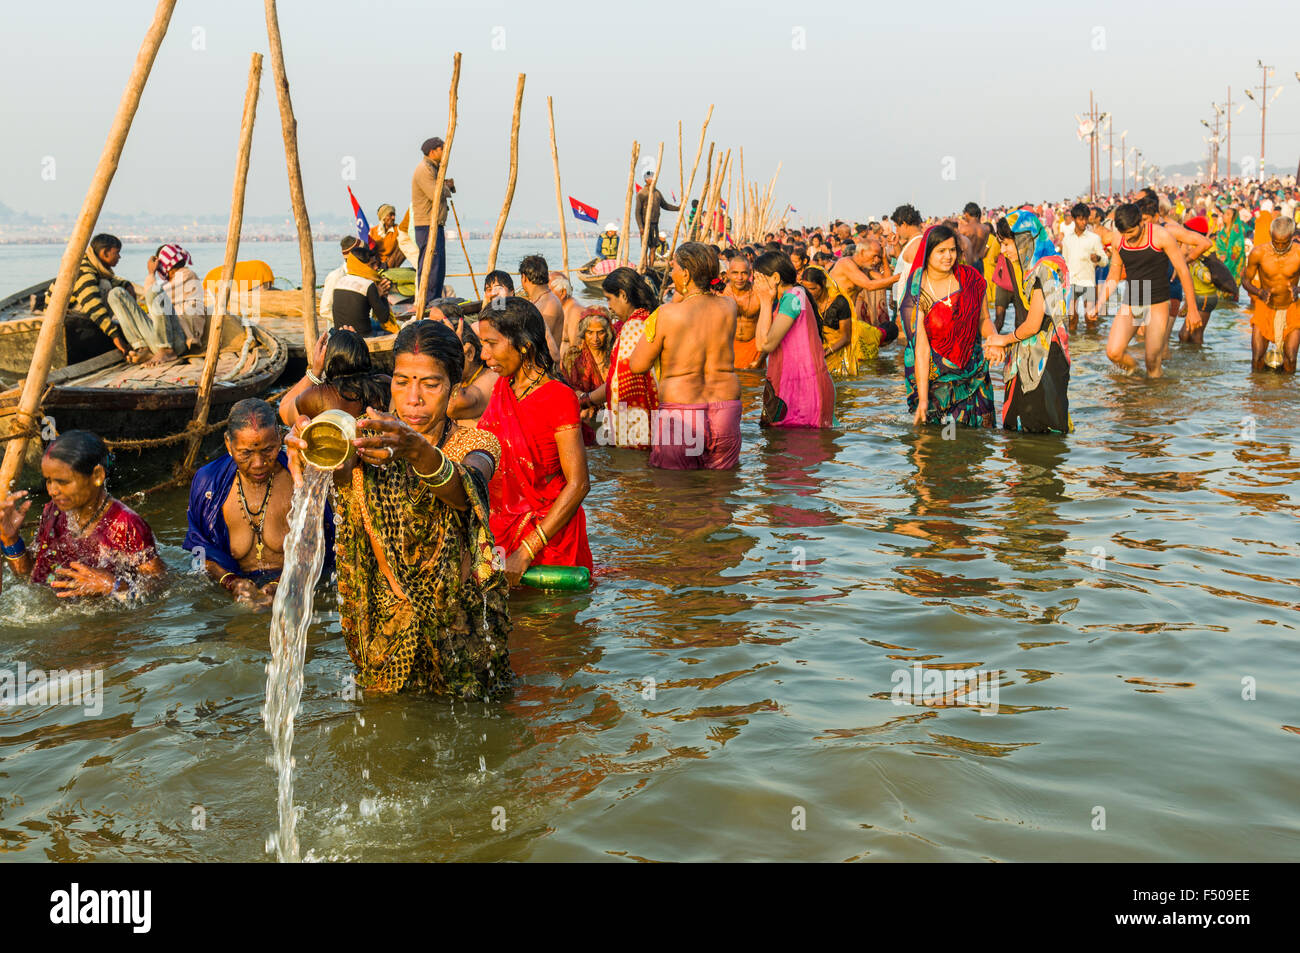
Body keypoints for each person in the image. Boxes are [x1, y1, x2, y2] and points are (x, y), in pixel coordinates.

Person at [286, 320, 510, 698]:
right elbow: (339, 477)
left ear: (454, 388)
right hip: (384, 630)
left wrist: (417, 451)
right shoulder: (364, 441)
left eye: (430, 384)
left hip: (457, 632)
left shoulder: (475, 442)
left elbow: (466, 488)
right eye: (402, 381)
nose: (413, 398)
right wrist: (309, 453)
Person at [477, 297, 593, 578]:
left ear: (525, 345)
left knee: (550, 620)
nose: (483, 354)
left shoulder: (559, 397)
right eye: (482, 344)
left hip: (549, 543)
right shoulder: (502, 388)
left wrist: (527, 550)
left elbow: (578, 484)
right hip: (501, 534)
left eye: (491, 343)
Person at [185, 399, 330, 609]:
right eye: (246, 453)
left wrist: (278, 586)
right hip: (233, 594)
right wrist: (232, 583)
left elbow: (320, 548)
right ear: (228, 444)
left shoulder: (300, 478)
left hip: (296, 592)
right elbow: (199, 553)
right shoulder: (208, 484)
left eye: (268, 450)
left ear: (281, 437)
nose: (259, 463)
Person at [0, 431, 165, 600]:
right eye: (48, 481)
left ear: (97, 476)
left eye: (63, 481)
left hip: (107, 622)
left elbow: (159, 584)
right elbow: (29, 575)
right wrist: (10, 540)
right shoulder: (53, 511)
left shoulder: (125, 524)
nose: (52, 490)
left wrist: (112, 585)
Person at [629, 243, 742, 468]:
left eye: (674, 268)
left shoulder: (667, 314)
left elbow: (637, 364)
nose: (671, 273)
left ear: (686, 274)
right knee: (721, 492)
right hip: (726, 408)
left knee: (676, 494)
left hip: (682, 411)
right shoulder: (730, 306)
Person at [983, 211, 1072, 433]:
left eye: (1006, 244)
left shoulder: (1045, 269)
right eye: (1000, 244)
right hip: (1036, 352)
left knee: (1040, 424)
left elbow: (1033, 324)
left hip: (1046, 357)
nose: (1002, 251)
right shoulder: (1031, 267)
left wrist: (1003, 339)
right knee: (1028, 425)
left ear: (1024, 239)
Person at [899, 224, 995, 428]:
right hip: (936, 380)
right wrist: (924, 400)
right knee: (943, 442)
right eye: (941, 251)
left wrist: (994, 339)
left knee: (977, 442)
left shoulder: (971, 279)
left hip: (973, 369)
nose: (948, 256)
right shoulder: (918, 290)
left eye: (952, 250)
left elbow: (984, 320)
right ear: (928, 253)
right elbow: (921, 349)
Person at [1093, 203, 1200, 378]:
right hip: (1132, 298)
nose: (1127, 237)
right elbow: (1113, 275)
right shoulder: (1119, 238)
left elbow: (1183, 270)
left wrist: (1193, 309)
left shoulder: (1161, 236)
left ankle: (1154, 399)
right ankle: (1135, 374)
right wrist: (1098, 305)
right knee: (1113, 352)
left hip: (1157, 300)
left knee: (1152, 360)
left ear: (1141, 223)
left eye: (1131, 232)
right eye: (1124, 233)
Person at [752, 252, 835, 428]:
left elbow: (766, 344)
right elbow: (762, 344)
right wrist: (766, 300)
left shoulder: (793, 297)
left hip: (804, 390)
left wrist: (765, 301)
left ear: (775, 277)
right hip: (801, 387)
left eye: (758, 278)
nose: (755, 284)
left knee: (798, 448)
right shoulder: (792, 296)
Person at [592, 267, 660, 450]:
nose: (609, 306)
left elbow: (622, 384)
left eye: (609, 299)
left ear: (622, 295)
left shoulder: (633, 327)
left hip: (636, 423)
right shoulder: (648, 318)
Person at [71, 234, 164, 365]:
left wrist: (127, 285)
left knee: (110, 283)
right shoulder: (85, 272)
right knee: (105, 286)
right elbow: (94, 308)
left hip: (88, 306)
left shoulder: (94, 266)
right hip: (75, 313)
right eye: (117, 253)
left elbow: (111, 277)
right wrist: (115, 336)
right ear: (105, 253)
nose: (119, 257)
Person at [1240, 214, 1300, 372]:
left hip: (1291, 308)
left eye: (1285, 243)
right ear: (1270, 235)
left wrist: (1298, 289)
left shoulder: (1298, 253)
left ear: (1292, 237)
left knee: (1291, 359)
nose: (1280, 247)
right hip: (1265, 307)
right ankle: (1258, 393)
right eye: (1276, 242)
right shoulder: (1258, 253)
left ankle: (1287, 394)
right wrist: (1259, 292)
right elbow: (1245, 281)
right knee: (1257, 358)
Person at [411, 136, 454, 307]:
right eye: (442, 149)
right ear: (433, 151)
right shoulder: (424, 169)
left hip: (435, 224)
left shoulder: (433, 168)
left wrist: (445, 184)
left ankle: (433, 300)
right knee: (431, 265)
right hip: (427, 224)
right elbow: (434, 193)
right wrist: (446, 187)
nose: (444, 152)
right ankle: (428, 302)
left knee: (438, 265)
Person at [563, 308, 614, 445]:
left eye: (600, 333)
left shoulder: (615, 355)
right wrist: (585, 402)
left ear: (608, 333)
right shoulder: (573, 356)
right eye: (590, 333)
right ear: (583, 333)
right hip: (583, 413)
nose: (595, 339)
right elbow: (567, 388)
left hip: (610, 414)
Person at [144, 242, 206, 354]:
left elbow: (154, 296)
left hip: (183, 336)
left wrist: (151, 274)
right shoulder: (177, 278)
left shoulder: (186, 275)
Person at [1059, 202, 1108, 332]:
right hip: (1072, 282)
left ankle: (1091, 349)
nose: (1083, 222)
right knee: (1072, 318)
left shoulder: (1094, 238)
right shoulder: (1067, 240)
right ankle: (1073, 348)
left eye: (1085, 219)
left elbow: (1105, 260)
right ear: (1074, 219)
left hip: (1088, 282)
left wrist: (1098, 258)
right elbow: (1064, 262)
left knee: (1090, 318)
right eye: (1080, 219)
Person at [801, 265, 856, 378]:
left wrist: (826, 352)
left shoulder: (839, 302)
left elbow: (846, 337)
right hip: (816, 356)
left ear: (823, 283)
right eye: (805, 289)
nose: (809, 293)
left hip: (837, 356)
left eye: (812, 289)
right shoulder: (807, 302)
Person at [446, 318, 498, 427]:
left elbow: (452, 406)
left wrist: (453, 358)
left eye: (443, 358)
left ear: (469, 353)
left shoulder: (491, 378)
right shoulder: (463, 382)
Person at [1177, 216, 1219, 346]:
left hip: (1206, 297)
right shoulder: (1196, 249)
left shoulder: (1206, 250)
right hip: (1198, 296)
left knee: (1195, 335)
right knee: (1185, 336)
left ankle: (1200, 363)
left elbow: (1207, 277)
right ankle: (1194, 361)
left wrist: (1192, 263)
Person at [721, 254, 764, 370]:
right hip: (728, 349)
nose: (739, 278)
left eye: (744, 273)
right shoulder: (721, 293)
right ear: (728, 273)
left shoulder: (758, 293)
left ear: (750, 273)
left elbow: (767, 329)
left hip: (753, 350)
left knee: (752, 386)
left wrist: (761, 358)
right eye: (735, 273)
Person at [519, 255, 564, 362]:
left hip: (545, 368)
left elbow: (538, 343)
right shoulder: (541, 300)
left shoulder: (549, 303)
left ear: (524, 278)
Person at [635, 169, 680, 252]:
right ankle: (644, 264)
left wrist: (677, 208)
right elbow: (637, 212)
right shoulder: (642, 193)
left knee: (653, 247)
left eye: (653, 178)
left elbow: (665, 205)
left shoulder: (657, 193)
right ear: (646, 180)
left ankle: (651, 265)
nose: (652, 180)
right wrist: (641, 227)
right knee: (645, 247)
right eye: (650, 178)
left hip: (655, 224)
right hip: (645, 225)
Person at [319, 236, 359, 324]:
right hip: (339, 330)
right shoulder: (336, 276)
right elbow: (325, 310)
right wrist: (347, 321)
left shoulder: (359, 275)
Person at [550, 270, 585, 354]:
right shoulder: (561, 309)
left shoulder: (575, 312)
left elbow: (576, 349)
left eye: (549, 292)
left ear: (562, 293)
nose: (547, 296)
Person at [369, 204, 407, 269]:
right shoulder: (372, 231)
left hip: (390, 264)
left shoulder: (398, 230)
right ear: (383, 217)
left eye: (394, 215)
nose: (393, 218)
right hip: (376, 264)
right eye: (391, 215)